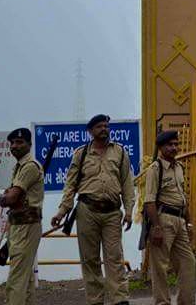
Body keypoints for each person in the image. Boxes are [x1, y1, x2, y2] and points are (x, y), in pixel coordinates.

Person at [51, 115, 135, 305]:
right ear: (90, 131)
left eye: (106, 126)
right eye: (99, 126)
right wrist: (61, 212)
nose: (104, 129)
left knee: (115, 257)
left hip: (112, 212)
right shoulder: (80, 154)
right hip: (87, 211)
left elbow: (127, 184)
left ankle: (119, 299)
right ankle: (95, 300)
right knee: (90, 260)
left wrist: (129, 210)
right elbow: (70, 185)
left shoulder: (120, 152)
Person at [144, 130, 195, 305]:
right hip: (163, 219)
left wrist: (189, 222)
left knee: (188, 262)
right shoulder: (155, 169)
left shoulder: (179, 167)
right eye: (170, 145)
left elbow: (183, 198)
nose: (174, 148)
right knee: (160, 268)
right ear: (160, 148)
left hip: (180, 220)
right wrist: (156, 227)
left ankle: (186, 302)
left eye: (176, 144)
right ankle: (162, 302)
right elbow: (149, 202)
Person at [0, 128, 43, 305]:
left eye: (19, 142)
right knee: (27, 280)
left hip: (26, 225)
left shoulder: (29, 166)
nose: (14, 146)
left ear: (29, 145)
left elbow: (11, 197)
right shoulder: (20, 167)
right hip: (19, 225)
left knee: (16, 281)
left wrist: (5, 197)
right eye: (12, 143)